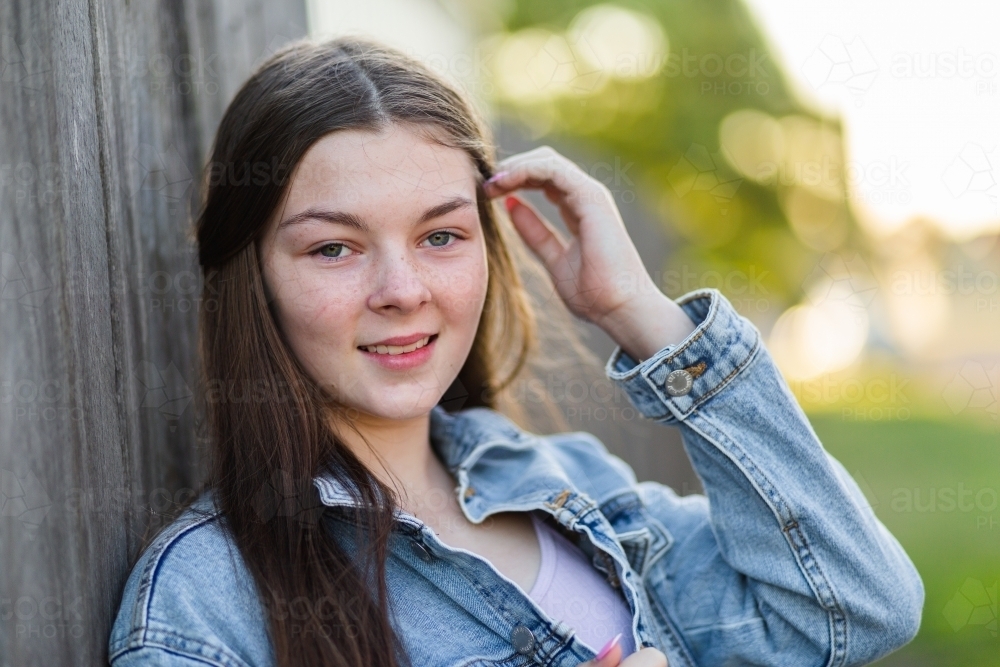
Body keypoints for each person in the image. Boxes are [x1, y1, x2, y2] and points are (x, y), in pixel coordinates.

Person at [108, 36, 923, 667]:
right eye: (334, 248)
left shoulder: (574, 488)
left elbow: (855, 606)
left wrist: (638, 314)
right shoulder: (205, 599)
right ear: (254, 276)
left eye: (441, 235)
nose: (402, 288)